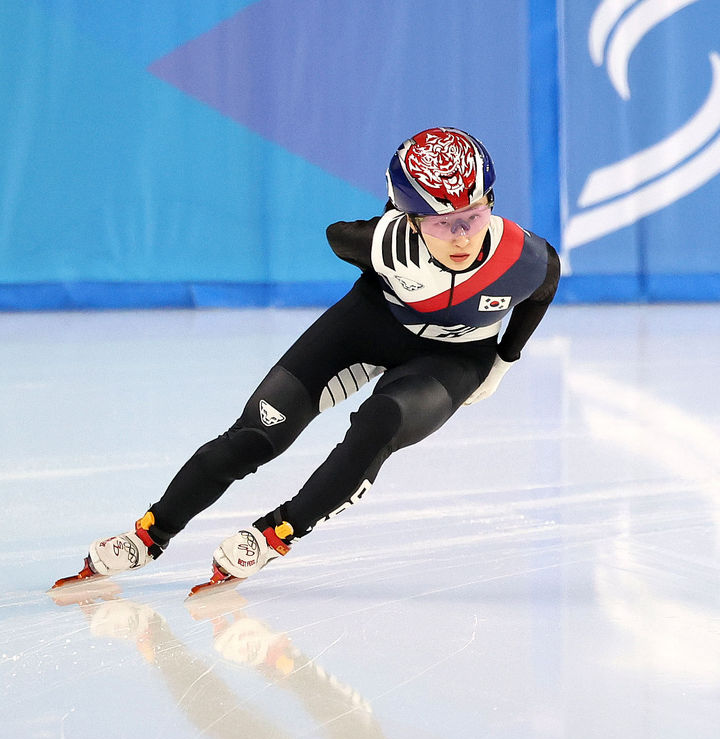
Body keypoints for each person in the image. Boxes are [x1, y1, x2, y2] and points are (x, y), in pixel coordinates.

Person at [55, 127, 560, 591]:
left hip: (453, 358)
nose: (462, 236)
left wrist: (503, 361)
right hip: (372, 327)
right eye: (443, 223)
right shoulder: (384, 243)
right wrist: (389, 239)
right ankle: (150, 534)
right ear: (409, 218)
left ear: (491, 203)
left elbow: (544, 288)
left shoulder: (526, 258)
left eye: (473, 217)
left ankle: (278, 532)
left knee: (380, 423)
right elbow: (337, 236)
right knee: (255, 435)